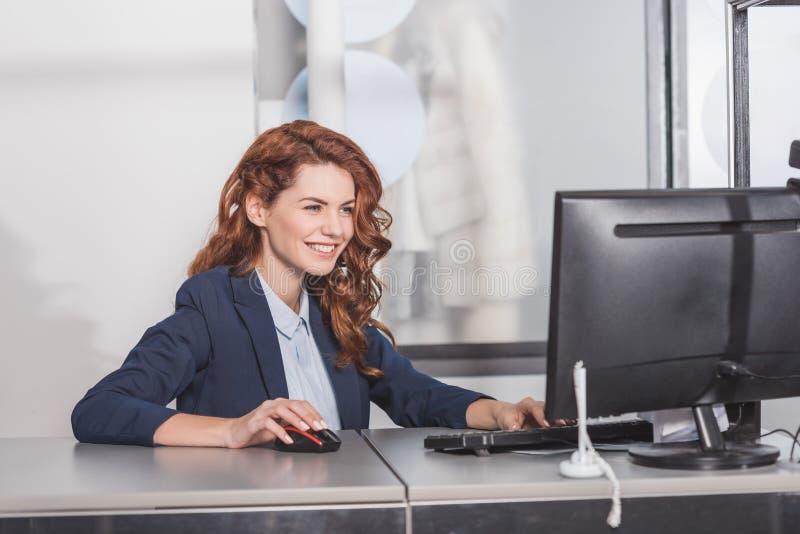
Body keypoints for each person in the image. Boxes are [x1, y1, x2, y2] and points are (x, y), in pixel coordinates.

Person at [71, 120, 553, 448]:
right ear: (259, 208)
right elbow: (99, 409)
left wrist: (505, 414)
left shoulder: (335, 311)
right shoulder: (210, 307)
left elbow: (417, 395)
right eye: (313, 207)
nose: (337, 229)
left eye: (345, 209)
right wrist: (233, 431)